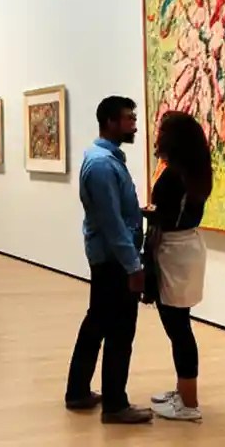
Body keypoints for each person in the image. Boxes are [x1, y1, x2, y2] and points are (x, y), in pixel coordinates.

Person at [64, 96, 152, 425]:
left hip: (108, 257)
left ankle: (78, 392)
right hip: (114, 260)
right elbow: (112, 224)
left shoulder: (104, 158)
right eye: (129, 118)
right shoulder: (102, 164)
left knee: (97, 324)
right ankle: (115, 404)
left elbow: (115, 214)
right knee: (118, 332)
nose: (134, 124)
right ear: (110, 122)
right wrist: (134, 266)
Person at [142, 110, 211, 422]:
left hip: (174, 250)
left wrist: (141, 212)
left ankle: (189, 402)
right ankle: (183, 392)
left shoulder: (172, 175)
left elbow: (164, 216)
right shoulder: (197, 171)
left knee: (178, 328)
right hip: (189, 246)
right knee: (180, 323)